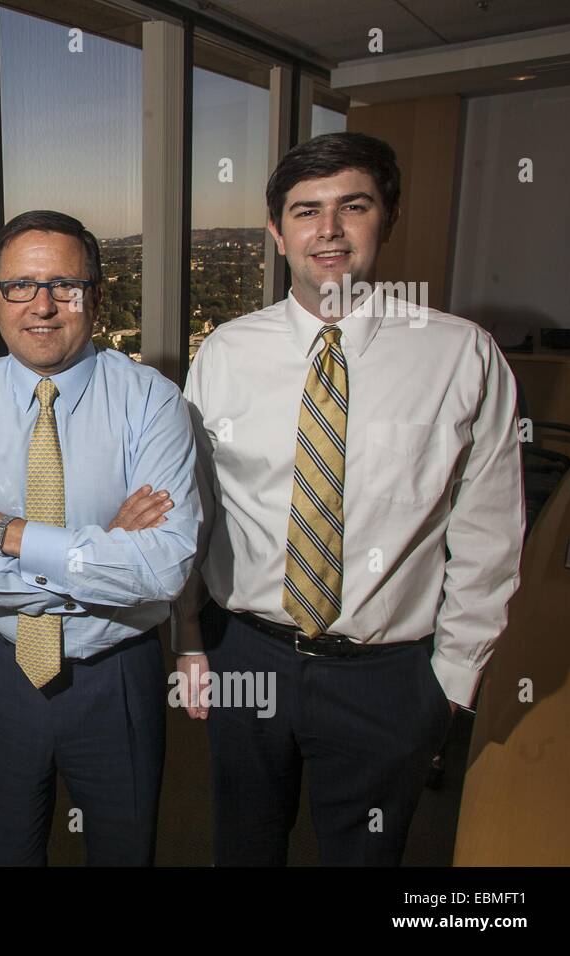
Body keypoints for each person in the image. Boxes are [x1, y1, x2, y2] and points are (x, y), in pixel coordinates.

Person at [175, 131, 525, 865]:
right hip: (248, 654)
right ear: (278, 231)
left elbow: (488, 533)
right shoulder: (226, 353)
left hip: (390, 675)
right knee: (243, 844)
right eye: (306, 211)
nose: (327, 230)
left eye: (352, 206)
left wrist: (451, 684)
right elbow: (199, 509)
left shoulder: (461, 355)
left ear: (387, 218)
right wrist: (193, 638)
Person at [0, 209, 199, 866]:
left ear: (94, 298)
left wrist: (9, 534)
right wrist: (102, 553)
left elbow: (163, 572)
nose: (41, 306)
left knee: (125, 852)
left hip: (117, 674)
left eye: (64, 286)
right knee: (7, 852)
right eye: (19, 286)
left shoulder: (153, 403)